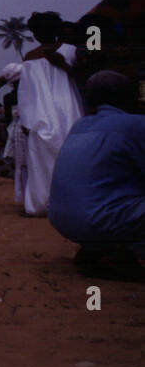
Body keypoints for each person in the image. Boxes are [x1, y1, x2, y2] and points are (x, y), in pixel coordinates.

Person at [48, 71, 145, 277]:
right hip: (100, 221)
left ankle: (100, 248)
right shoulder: (135, 124)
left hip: (64, 221)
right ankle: (127, 253)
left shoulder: (79, 126)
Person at [16, 12, 83, 216]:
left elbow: (27, 96)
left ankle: (45, 203)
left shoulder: (30, 58)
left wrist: (27, 124)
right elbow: (84, 77)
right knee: (75, 161)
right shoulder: (71, 51)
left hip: (41, 116)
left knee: (43, 165)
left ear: (35, 34)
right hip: (71, 111)